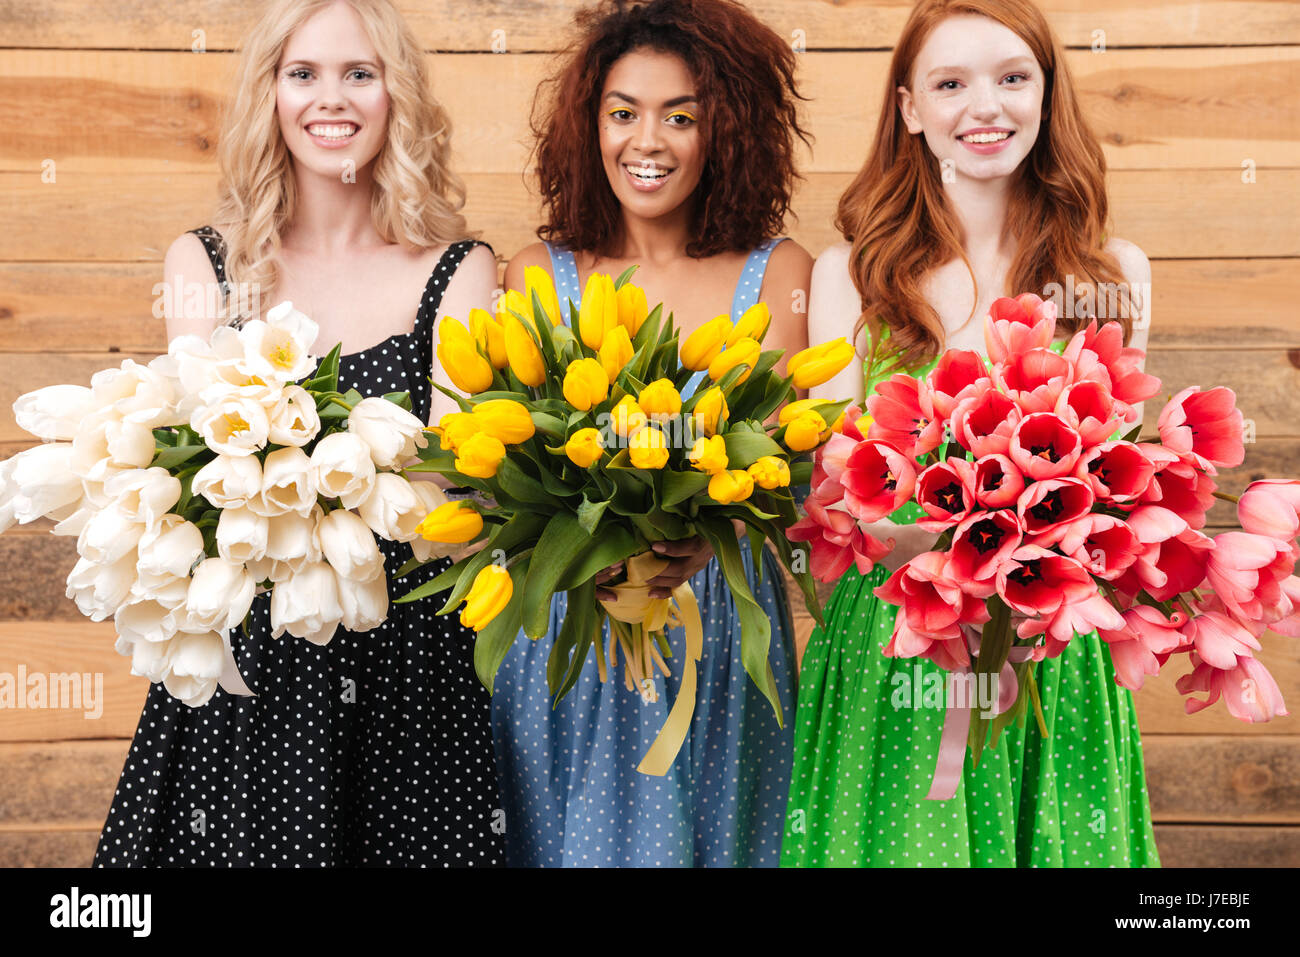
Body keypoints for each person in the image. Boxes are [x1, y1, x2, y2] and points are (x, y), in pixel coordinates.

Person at [94, 0, 504, 867]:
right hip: (252, 660)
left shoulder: (460, 271)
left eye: (361, 73)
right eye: (304, 74)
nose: (334, 99)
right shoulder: (204, 265)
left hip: (412, 665)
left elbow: (452, 491)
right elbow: (206, 483)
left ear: (398, 94)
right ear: (270, 94)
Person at [783, 0, 1159, 867]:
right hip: (901, 645)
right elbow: (842, 494)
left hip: (1049, 653)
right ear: (911, 109)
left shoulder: (1114, 274)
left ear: (1046, 93)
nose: (984, 107)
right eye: (951, 83)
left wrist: (1044, 552)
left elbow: (1123, 490)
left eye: (1012, 78)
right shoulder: (853, 278)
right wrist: (947, 548)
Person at [490, 0, 813, 867]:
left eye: (682, 116)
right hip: (571, 627)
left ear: (728, 131)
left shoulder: (776, 275)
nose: (650, 140)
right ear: (590, 125)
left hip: (717, 619)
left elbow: (784, 466)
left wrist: (707, 539)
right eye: (624, 112)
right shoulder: (534, 275)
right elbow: (506, 474)